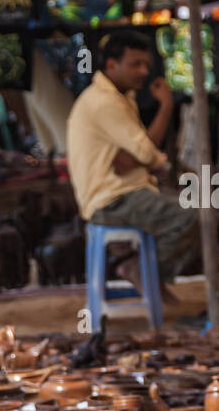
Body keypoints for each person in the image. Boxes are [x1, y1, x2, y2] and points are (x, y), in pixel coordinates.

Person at [66, 28, 199, 296]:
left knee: (202, 211)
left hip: (128, 192)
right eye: (135, 64)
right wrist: (165, 107)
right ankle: (141, 269)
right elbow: (148, 153)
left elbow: (139, 154)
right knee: (195, 216)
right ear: (112, 65)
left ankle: (147, 271)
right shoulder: (104, 102)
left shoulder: (121, 98)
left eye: (146, 65)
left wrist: (139, 158)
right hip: (113, 200)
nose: (143, 72)